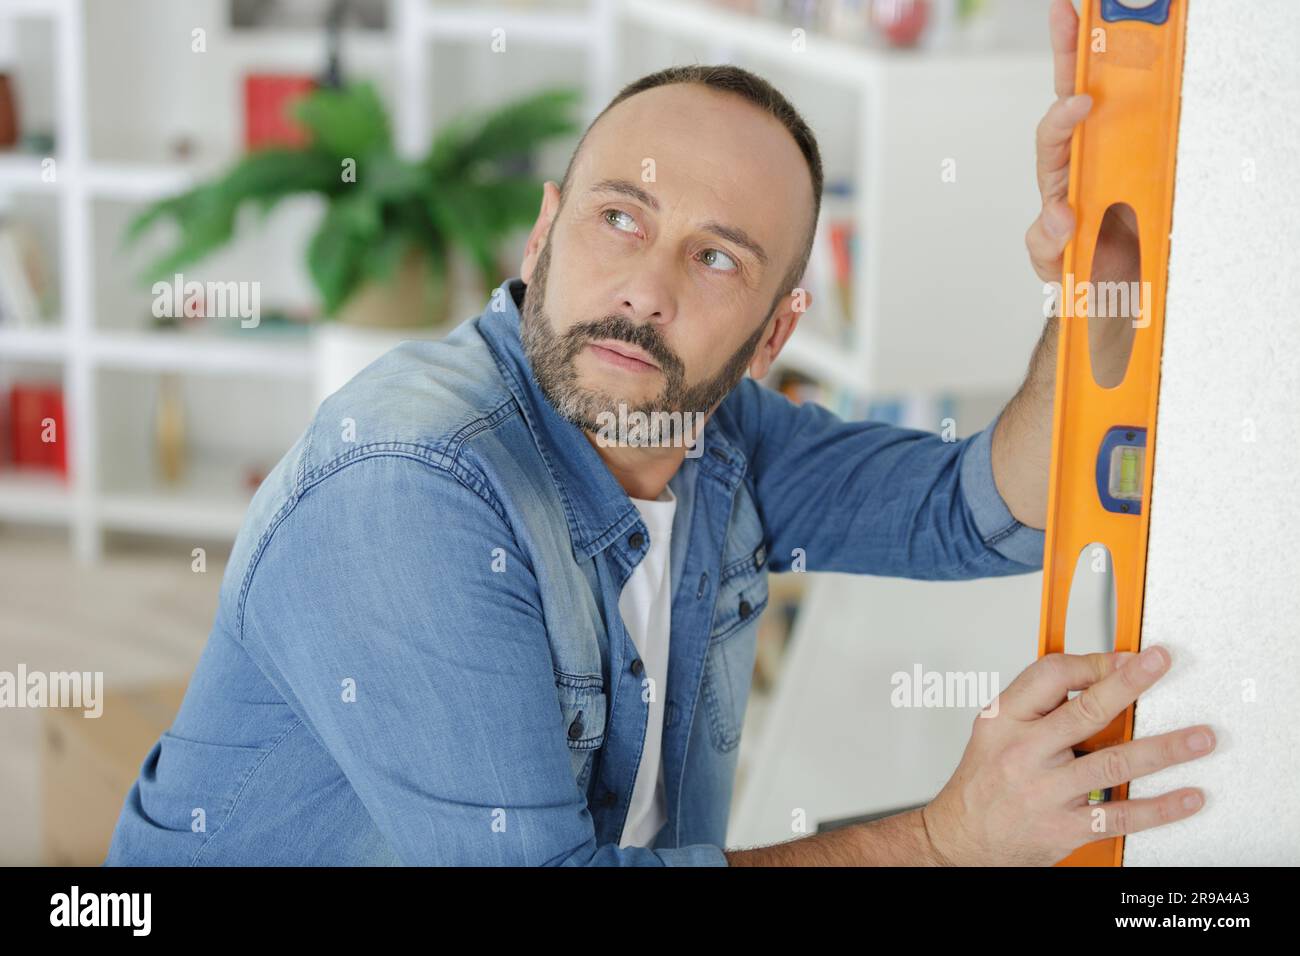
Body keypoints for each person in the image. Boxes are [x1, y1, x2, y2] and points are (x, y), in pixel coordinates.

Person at [105, 0, 1212, 866]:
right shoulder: (406, 486)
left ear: (776, 329)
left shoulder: (709, 432)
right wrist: (937, 840)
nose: (644, 288)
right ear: (542, 234)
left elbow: (979, 513)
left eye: (716, 256)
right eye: (619, 218)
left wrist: (1096, 283)